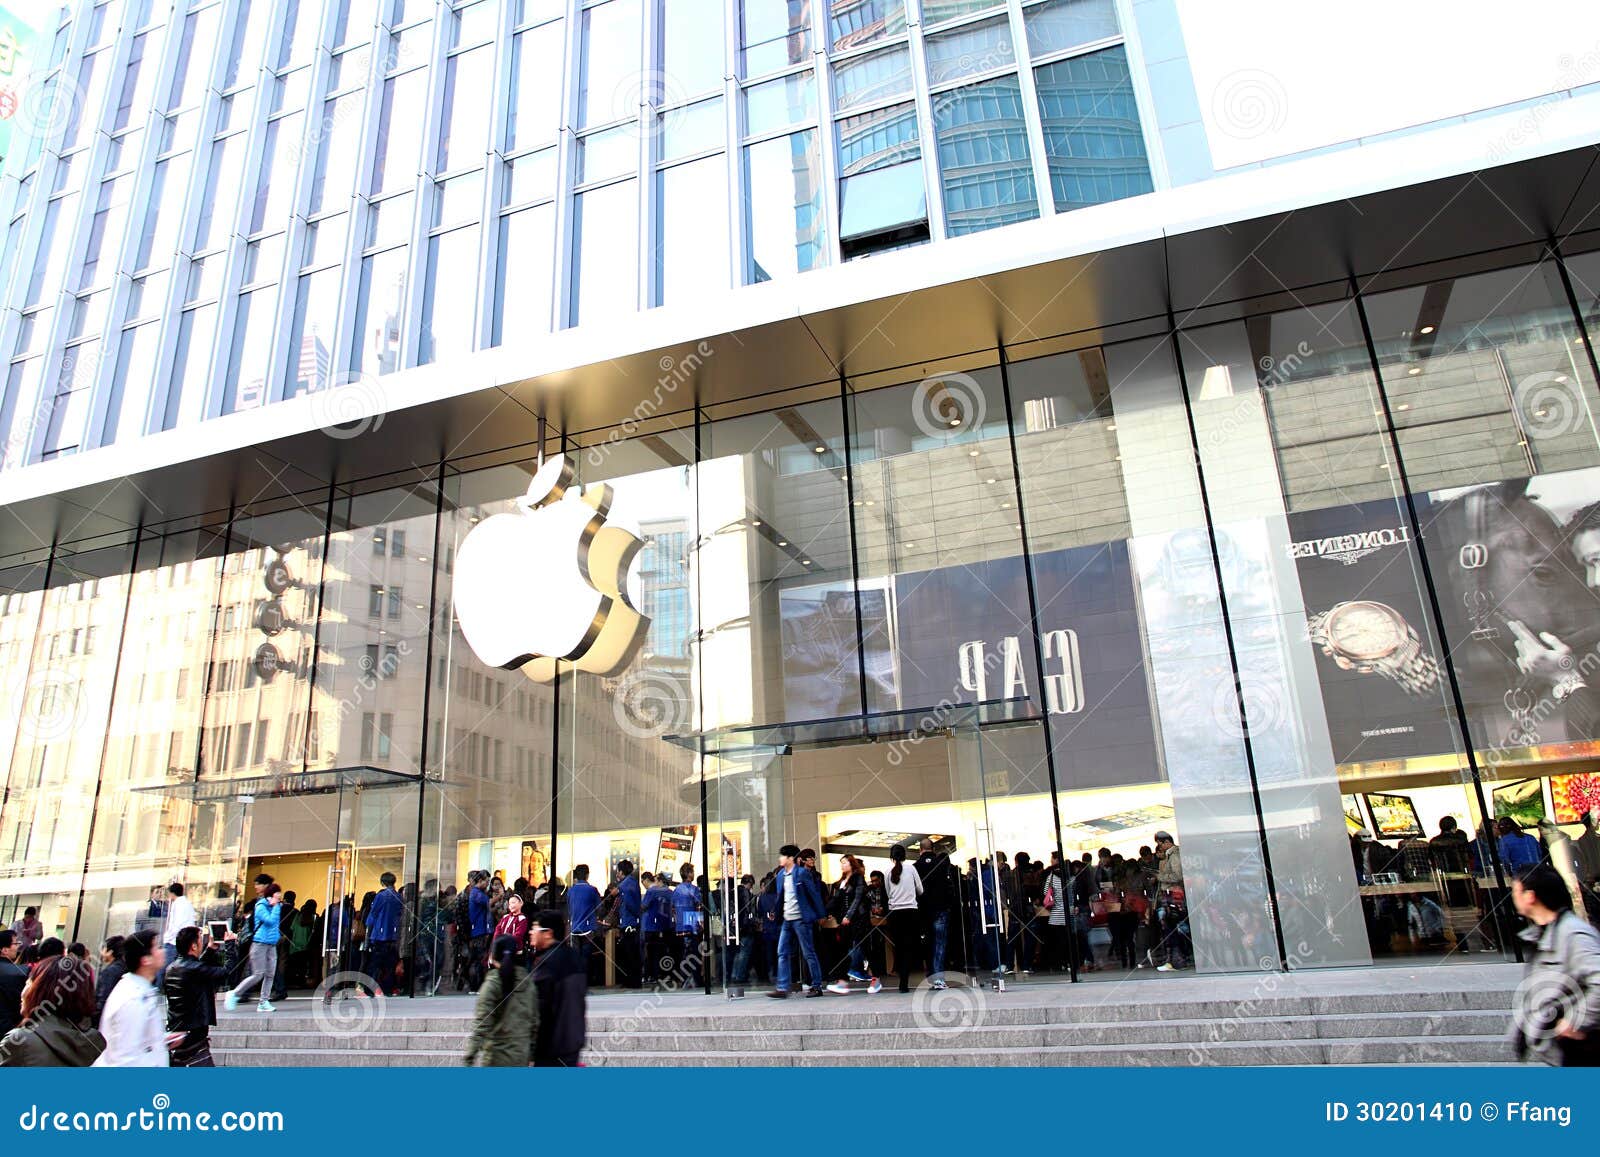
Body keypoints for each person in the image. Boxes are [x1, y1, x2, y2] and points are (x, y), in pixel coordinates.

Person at [1509, 864, 1600, 1066]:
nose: (1512, 896)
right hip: (1563, 1048)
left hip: (1582, 1049)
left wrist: (1576, 1021)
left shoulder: (1573, 934)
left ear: (1529, 896)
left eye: (1515, 890)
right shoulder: (1544, 933)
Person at [0, 954, 103, 1067]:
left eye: (28, 983)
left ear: (41, 991)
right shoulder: (91, 1044)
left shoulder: (20, 1042)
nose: (23, 992)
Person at [95, 931, 168, 1067]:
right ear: (145, 960)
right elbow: (125, 1058)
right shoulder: (133, 998)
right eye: (157, 947)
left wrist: (160, 1040)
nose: (163, 951)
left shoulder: (141, 991)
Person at [164, 925, 233, 1067]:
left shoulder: (171, 968)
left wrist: (210, 949)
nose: (203, 942)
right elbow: (228, 971)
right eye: (201, 940)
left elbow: (198, 968)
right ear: (194, 946)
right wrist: (230, 944)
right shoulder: (193, 969)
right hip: (194, 1036)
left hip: (179, 1031)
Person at [463, 934, 537, 1067]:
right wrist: (531, 1053)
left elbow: (482, 1023)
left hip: (495, 1057)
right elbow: (534, 1022)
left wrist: (469, 1057)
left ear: (493, 957)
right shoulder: (528, 983)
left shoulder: (492, 984)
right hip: (521, 1056)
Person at [769, 844, 826, 998]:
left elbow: (813, 894)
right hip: (787, 919)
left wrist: (821, 914)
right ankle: (782, 987)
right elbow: (781, 897)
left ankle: (816, 985)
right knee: (782, 952)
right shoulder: (781, 875)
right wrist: (776, 912)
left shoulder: (802, 874)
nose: (780, 859)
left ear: (790, 858)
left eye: (782, 856)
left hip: (801, 919)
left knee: (808, 953)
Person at [530, 910, 586, 1067]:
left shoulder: (547, 962)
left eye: (535, 928)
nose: (531, 932)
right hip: (573, 1041)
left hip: (551, 1046)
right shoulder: (575, 957)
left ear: (548, 933)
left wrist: (532, 1047)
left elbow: (540, 1009)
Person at [225, 875, 282, 1012]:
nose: (279, 896)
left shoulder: (276, 906)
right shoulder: (261, 905)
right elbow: (269, 921)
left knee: (270, 974)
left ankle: (264, 1001)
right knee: (258, 974)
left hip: (271, 944)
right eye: (277, 894)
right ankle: (235, 993)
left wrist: (276, 907)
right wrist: (275, 907)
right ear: (271, 894)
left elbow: (275, 924)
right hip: (259, 943)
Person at [827, 854, 880, 993]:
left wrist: (848, 916)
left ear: (851, 864)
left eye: (845, 863)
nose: (842, 865)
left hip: (859, 919)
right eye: (841, 863)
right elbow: (836, 899)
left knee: (866, 948)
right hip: (847, 920)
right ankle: (842, 982)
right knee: (842, 949)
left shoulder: (858, 878)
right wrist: (825, 911)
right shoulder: (843, 881)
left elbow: (857, 899)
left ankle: (876, 980)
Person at [915, 838, 958, 990]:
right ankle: (938, 977)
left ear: (920, 850)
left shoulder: (915, 867)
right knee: (940, 942)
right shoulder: (942, 864)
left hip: (924, 909)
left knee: (927, 942)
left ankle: (930, 974)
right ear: (932, 849)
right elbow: (949, 886)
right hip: (941, 907)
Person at [884, 844, 923, 993]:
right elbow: (920, 889)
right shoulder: (911, 869)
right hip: (911, 911)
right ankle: (906, 978)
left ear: (891, 856)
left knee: (898, 946)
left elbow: (888, 894)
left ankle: (902, 978)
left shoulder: (887, 872)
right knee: (909, 946)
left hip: (895, 913)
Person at [1153, 830, 1190, 971]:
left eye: (1160, 844)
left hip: (1174, 896)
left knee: (1172, 928)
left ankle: (1177, 960)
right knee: (1173, 928)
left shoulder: (1174, 856)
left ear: (1167, 842)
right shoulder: (1171, 856)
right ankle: (1177, 959)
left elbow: (1178, 876)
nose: (1159, 847)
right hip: (1172, 895)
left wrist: (1160, 876)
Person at [366, 871, 404, 996]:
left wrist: (369, 926)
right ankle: (388, 989)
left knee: (375, 964)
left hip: (380, 934)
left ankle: (371, 990)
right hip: (393, 934)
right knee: (390, 965)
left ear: (383, 882)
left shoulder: (381, 896)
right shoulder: (398, 897)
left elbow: (373, 914)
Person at [671, 862, 704, 988]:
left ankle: (684, 978)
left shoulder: (677, 890)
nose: (693, 874)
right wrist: (701, 924)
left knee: (683, 954)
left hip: (680, 926)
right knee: (695, 954)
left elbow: (673, 908)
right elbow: (699, 906)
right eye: (692, 872)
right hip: (691, 924)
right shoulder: (693, 889)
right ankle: (696, 979)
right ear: (689, 874)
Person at [641, 870, 675, 986]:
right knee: (665, 951)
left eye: (656, 879)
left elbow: (644, 906)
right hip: (667, 925)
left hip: (651, 926)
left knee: (651, 953)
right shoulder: (670, 892)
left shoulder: (651, 891)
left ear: (660, 880)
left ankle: (653, 975)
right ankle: (666, 974)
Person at [612, 860, 642, 989]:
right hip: (632, 921)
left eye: (618, 870)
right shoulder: (633, 882)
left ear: (621, 871)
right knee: (633, 952)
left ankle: (631, 981)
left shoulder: (625, 885)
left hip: (629, 922)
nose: (617, 873)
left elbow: (630, 904)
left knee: (629, 953)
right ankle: (633, 980)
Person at [568, 864, 602, 971]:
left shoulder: (570, 890)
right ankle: (585, 980)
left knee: (576, 957)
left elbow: (569, 908)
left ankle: (577, 980)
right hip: (588, 927)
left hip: (574, 927)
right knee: (586, 956)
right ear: (587, 875)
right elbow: (600, 908)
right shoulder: (592, 890)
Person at [466, 871, 493, 992]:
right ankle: (475, 985)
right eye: (486, 881)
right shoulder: (476, 894)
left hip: (480, 930)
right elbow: (489, 903)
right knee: (478, 959)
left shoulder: (478, 893)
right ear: (480, 881)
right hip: (478, 931)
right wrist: (499, 896)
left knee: (478, 959)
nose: (488, 884)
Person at [161, 882, 197, 970]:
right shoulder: (188, 904)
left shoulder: (178, 904)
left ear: (172, 893)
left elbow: (176, 924)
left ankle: (159, 984)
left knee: (163, 969)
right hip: (185, 941)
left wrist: (167, 937)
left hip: (174, 941)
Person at [0, 930, 25, 1035]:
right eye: (15, 943)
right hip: (8, 1029)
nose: (18, 946)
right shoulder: (20, 973)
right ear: (4, 950)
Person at [494, 891, 529, 961]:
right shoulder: (505, 917)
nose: (511, 905)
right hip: (502, 949)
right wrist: (497, 941)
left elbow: (518, 935)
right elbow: (498, 929)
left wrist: (505, 942)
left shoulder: (521, 918)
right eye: (509, 904)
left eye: (513, 903)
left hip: (515, 951)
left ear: (521, 903)